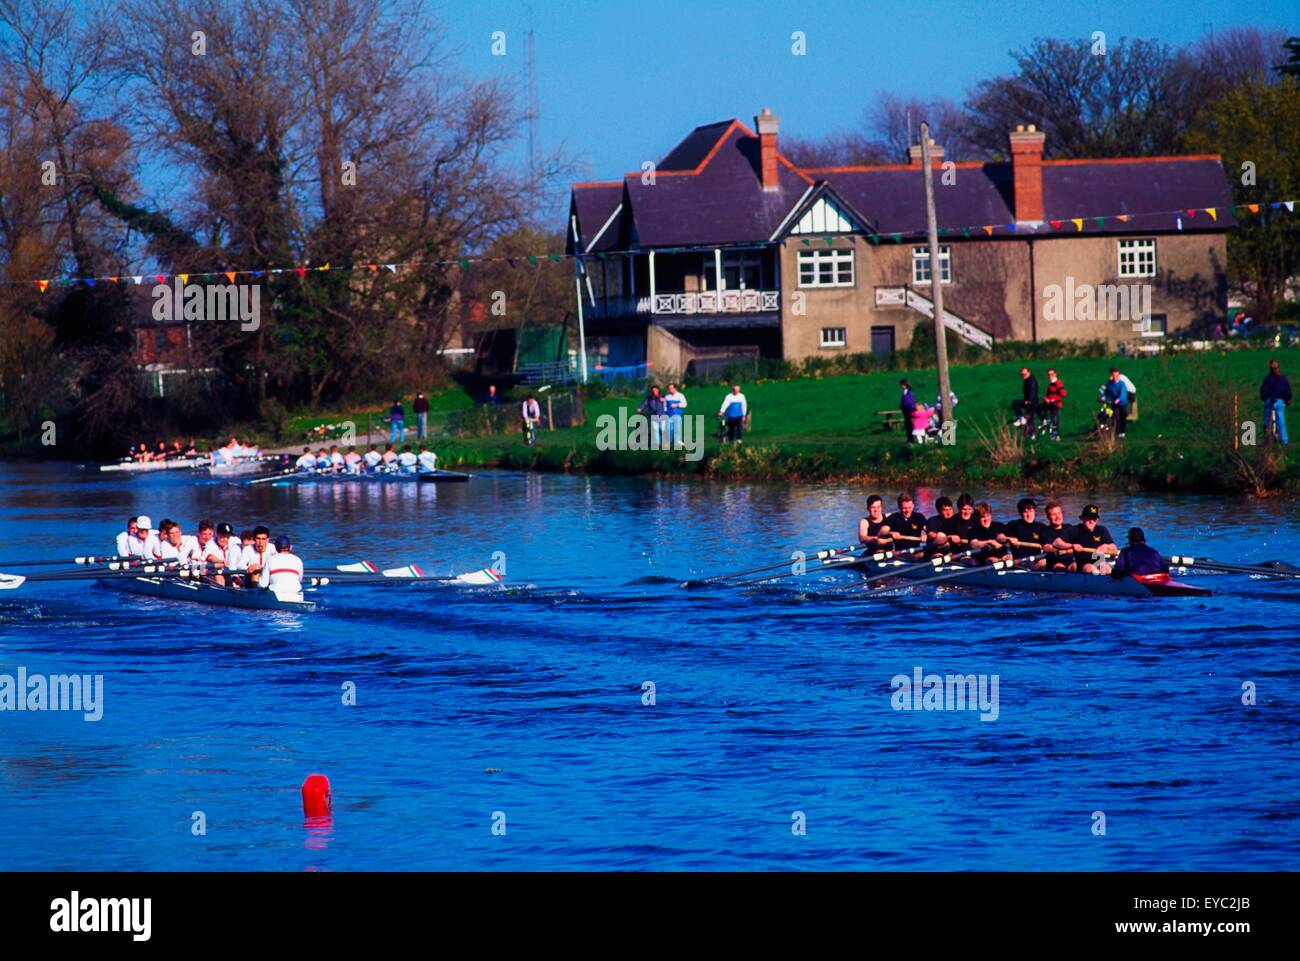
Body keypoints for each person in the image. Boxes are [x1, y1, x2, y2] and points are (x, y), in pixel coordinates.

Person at [1055, 504, 1118, 574]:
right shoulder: (1075, 530)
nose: (1091, 521)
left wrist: (1106, 546)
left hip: (1099, 561)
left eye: (1094, 519)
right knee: (1090, 568)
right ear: (1082, 518)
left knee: (1106, 568)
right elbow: (1056, 543)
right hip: (1083, 564)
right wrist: (1071, 546)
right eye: (1089, 518)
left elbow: (1114, 548)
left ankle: (1107, 581)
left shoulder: (1102, 530)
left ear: (1097, 520)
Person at [1001, 497, 1051, 568]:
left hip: (1036, 561)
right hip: (1019, 561)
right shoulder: (1013, 525)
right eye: (1025, 512)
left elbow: (1047, 545)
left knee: (1044, 561)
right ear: (1020, 513)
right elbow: (999, 537)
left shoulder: (1042, 527)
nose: (1029, 515)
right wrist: (1007, 539)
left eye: (1031, 511)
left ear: (1034, 511)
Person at [1260, 358, 1292, 446]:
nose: (1276, 370)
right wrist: (1288, 399)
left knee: (1266, 419)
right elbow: (1288, 391)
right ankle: (1284, 441)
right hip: (1280, 402)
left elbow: (1263, 391)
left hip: (1270, 402)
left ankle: (1266, 435)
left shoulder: (1267, 378)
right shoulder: (1283, 378)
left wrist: (1264, 399)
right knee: (1281, 421)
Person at [263, 536, 305, 601]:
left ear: (276, 548)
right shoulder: (298, 560)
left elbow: (263, 584)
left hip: (276, 596)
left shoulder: (270, 560)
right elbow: (299, 579)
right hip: (296, 596)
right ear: (290, 548)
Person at [1013, 367, 1040, 434]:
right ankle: (1021, 418)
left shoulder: (1031, 381)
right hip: (1028, 401)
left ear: (1029, 373)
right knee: (1016, 404)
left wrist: (1029, 400)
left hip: (1032, 402)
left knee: (1029, 417)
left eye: (1024, 374)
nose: (1023, 376)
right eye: (1022, 375)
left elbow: (1033, 391)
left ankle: (1032, 433)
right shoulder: (1027, 380)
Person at [1103, 368, 1130, 438]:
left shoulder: (1121, 384)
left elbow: (1123, 394)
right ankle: (1117, 432)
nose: (1115, 377)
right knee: (1116, 417)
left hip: (1122, 404)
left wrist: (1118, 399)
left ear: (1118, 375)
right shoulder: (1109, 383)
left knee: (1123, 417)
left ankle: (1122, 431)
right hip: (1114, 404)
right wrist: (1103, 397)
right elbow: (1106, 392)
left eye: (1116, 375)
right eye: (1113, 375)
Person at [1041, 369, 1066, 439]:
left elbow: (1063, 394)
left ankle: (1056, 434)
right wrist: (1046, 398)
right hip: (1049, 403)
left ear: (1055, 374)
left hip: (1055, 404)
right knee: (1039, 408)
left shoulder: (1058, 383)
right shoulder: (1050, 384)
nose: (1050, 376)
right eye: (1049, 375)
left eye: (1051, 374)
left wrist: (1054, 399)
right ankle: (1045, 421)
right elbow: (1047, 394)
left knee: (1055, 418)